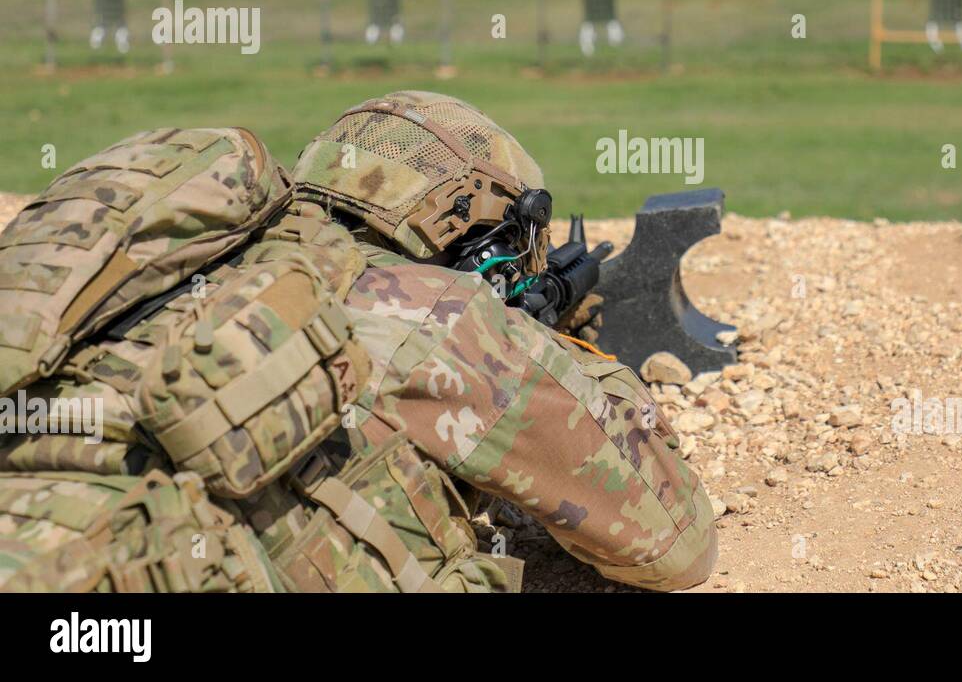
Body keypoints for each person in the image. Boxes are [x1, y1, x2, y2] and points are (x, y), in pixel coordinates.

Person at [0, 92, 717, 593]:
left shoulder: (189, 264)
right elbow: (676, 547)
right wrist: (572, 359)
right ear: (475, 237)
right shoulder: (430, 314)